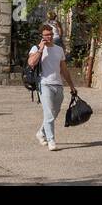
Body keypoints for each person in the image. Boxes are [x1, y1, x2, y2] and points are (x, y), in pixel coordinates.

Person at [28, 23, 77, 151]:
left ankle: (40, 132)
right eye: (46, 35)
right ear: (42, 36)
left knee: (55, 112)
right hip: (44, 84)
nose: (49, 37)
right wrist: (40, 49)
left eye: (50, 34)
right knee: (49, 113)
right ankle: (51, 140)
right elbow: (31, 63)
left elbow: (64, 69)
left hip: (58, 84)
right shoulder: (36, 48)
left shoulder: (59, 49)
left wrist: (71, 86)